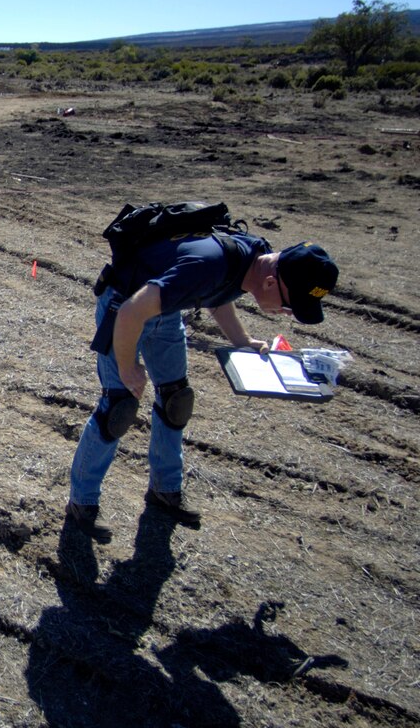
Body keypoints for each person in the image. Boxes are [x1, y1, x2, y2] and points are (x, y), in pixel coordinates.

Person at [67, 221, 339, 543]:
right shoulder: (209, 264)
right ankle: (82, 502)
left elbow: (217, 292)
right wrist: (128, 368)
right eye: (290, 307)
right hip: (124, 305)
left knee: (176, 401)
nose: (288, 314)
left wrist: (242, 339)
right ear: (270, 282)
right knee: (119, 408)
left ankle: (165, 490)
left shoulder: (253, 258)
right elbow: (131, 312)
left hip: (165, 310)